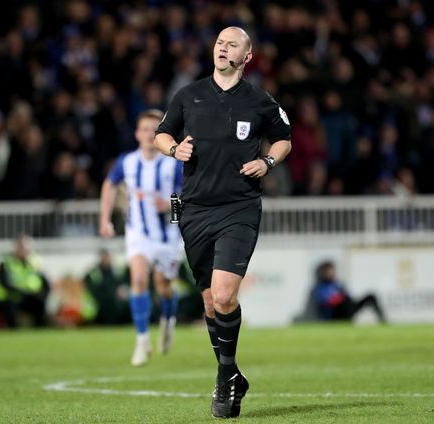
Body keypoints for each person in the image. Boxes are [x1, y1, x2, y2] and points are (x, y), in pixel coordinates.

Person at [154, 26, 292, 419]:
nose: (222, 48)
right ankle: (231, 374)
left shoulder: (259, 101)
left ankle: (224, 378)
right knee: (211, 303)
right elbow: (162, 134)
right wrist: (174, 149)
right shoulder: (189, 95)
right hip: (195, 209)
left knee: (225, 295)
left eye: (232, 44)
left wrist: (267, 162)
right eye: (219, 42)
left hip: (239, 208)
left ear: (247, 57)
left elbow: (284, 138)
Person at [100, 109, 183, 366]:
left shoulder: (174, 162)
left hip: (169, 234)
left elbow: (188, 198)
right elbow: (109, 184)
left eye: (154, 129)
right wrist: (104, 218)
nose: (149, 134)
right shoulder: (127, 162)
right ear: (137, 133)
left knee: (163, 286)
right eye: (145, 129)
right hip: (139, 233)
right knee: (137, 278)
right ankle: (142, 341)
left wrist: (170, 205)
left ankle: (168, 319)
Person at [0, 234, 50, 328]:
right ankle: (13, 329)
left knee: (40, 303)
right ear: (16, 247)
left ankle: (39, 329)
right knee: (10, 307)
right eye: (21, 247)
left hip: (28, 297)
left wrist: (44, 293)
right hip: (9, 298)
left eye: (26, 247)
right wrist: (23, 292)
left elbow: (44, 281)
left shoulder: (35, 261)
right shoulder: (6, 262)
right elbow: (4, 283)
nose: (24, 250)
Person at [313, 261, 385, 322]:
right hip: (334, 313)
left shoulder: (337, 284)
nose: (332, 273)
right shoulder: (321, 286)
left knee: (370, 297)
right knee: (345, 303)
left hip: (347, 307)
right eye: (329, 271)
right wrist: (338, 298)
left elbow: (348, 296)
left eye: (333, 271)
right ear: (324, 273)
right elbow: (324, 302)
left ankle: (382, 319)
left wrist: (343, 297)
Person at [83, 248, 131, 326]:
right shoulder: (94, 273)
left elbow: (124, 284)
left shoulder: (117, 271)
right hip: (101, 304)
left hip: (117, 303)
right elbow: (93, 289)